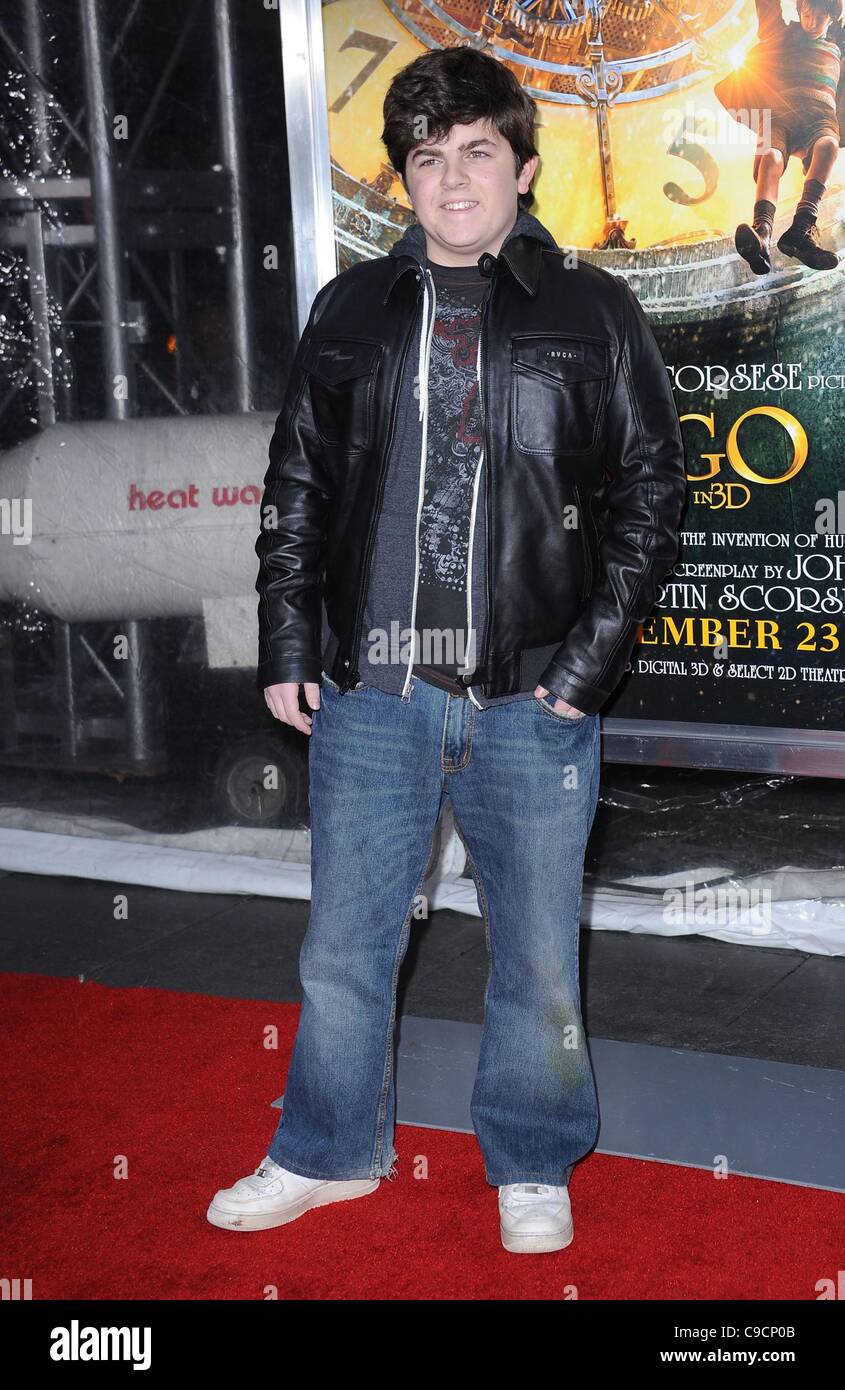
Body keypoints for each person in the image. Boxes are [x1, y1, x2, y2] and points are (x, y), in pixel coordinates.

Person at [207, 45, 687, 1254]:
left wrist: (584, 670)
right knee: (342, 951)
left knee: (536, 959)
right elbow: (298, 484)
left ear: (523, 168)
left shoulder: (592, 309)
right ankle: (324, 1150)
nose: (453, 177)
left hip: (533, 699)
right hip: (374, 690)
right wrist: (284, 636)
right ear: (404, 180)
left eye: (477, 150)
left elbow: (649, 492)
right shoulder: (350, 309)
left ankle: (530, 1159)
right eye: (427, 156)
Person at [716, 0, 845, 274]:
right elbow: (767, 7)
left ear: (832, 17)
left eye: (819, 16)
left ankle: (801, 229)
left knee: (828, 146)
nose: (811, 21)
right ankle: (761, 234)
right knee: (770, 157)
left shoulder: (839, 46)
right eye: (807, 14)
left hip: (820, 117)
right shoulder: (782, 34)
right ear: (799, 11)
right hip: (776, 114)